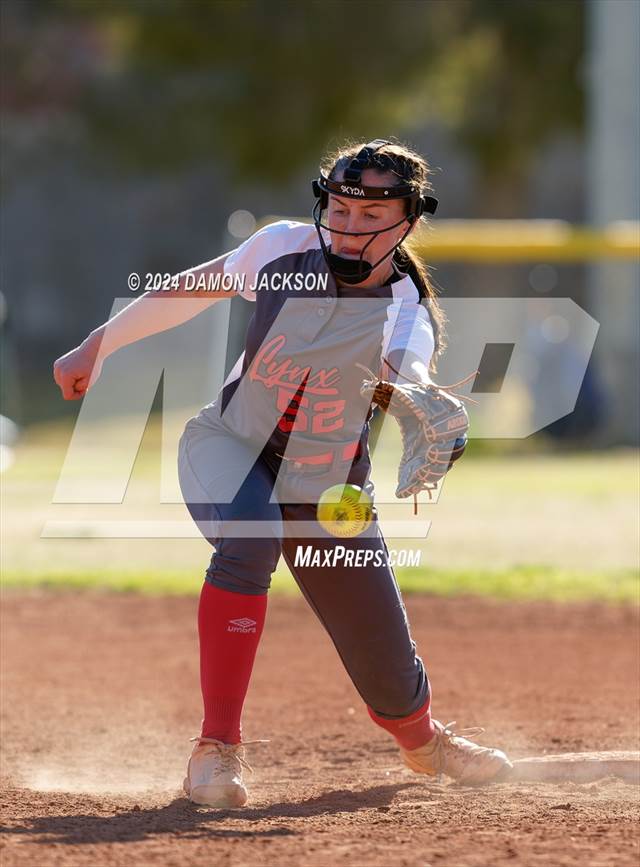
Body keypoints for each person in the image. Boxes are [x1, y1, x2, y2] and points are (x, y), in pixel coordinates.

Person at [53, 139, 512, 808]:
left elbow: (405, 366)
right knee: (250, 536)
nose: (351, 228)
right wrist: (100, 341)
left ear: (408, 222)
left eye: (371, 216)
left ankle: (425, 742)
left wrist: (420, 399)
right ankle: (216, 748)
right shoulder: (281, 248)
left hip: (328, 486)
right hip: (227, 444)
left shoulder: (404, 302)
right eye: (342, 210)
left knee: (392, 678)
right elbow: (192, 289)